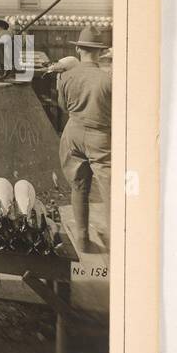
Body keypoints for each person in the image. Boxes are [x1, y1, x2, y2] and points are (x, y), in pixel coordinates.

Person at [56, 26, 112, 251]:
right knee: (110, 191)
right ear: (101, 52)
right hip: (101, 136)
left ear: (78, 49)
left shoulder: (67, 76)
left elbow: (62, 107)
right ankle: (116, 242)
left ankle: (82, 240)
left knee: (78, 185)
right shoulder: (108, 79)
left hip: (73, 132)